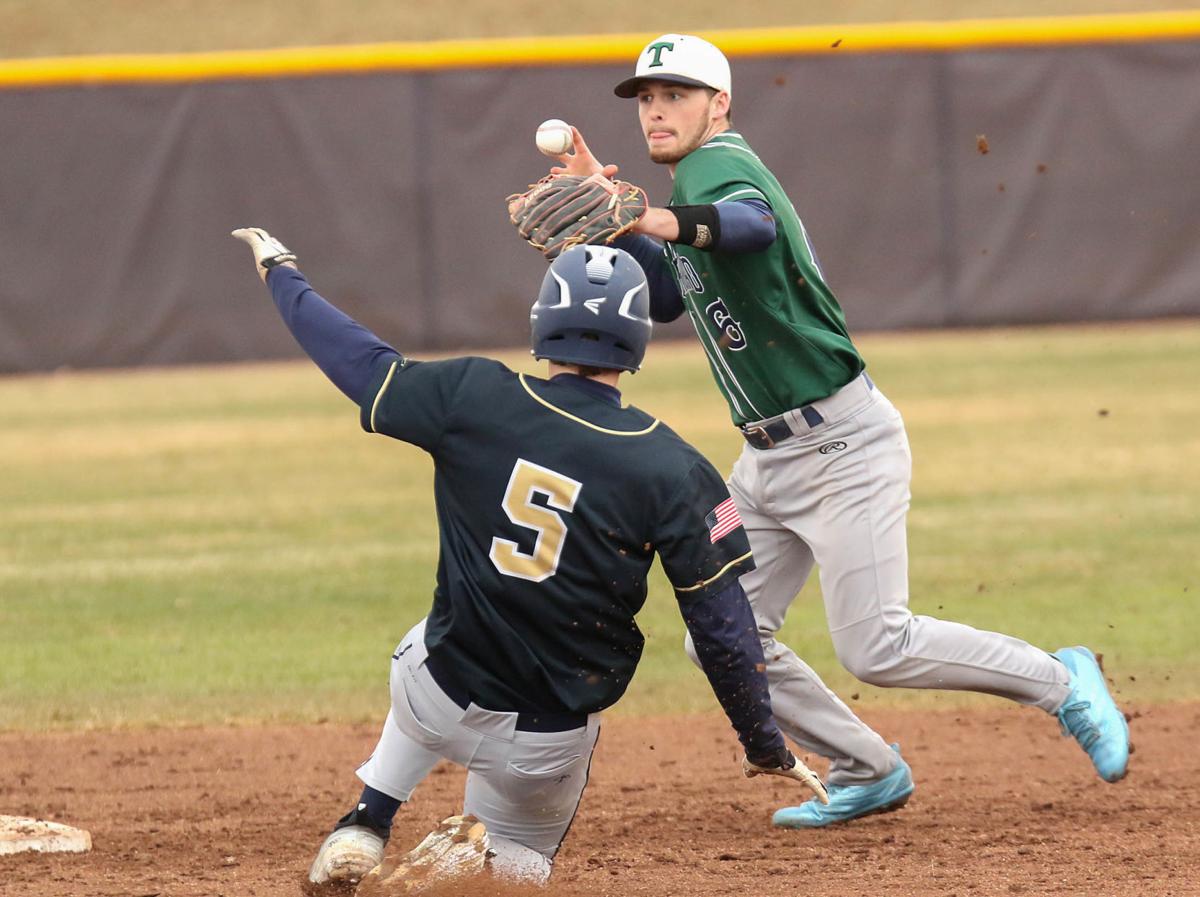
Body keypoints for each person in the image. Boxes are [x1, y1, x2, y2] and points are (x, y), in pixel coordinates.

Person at [547, 32, 1131, 828]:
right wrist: (613, 224)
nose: (656, 110)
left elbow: (746, 227)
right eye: (647, 99)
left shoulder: (719, 165)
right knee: (725, 636)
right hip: (765, 463)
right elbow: (665, 297)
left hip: (842, 445)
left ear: (719, 104)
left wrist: (643, 213)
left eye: (675, 95)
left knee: (877, 646)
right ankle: (868, 767)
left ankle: (1063, 681)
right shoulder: (689, 191)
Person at [230, 229, 824, 888]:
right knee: (521, 863)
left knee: (421, 647)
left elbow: (361, 364)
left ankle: (366, 820)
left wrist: (284, 273)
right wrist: (761, 739)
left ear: (544, 320)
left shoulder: (474, 395)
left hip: (438, 693)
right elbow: (722, 624)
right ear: (637, 340)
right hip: (547, 741)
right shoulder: (676, 466)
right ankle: (467, 867)